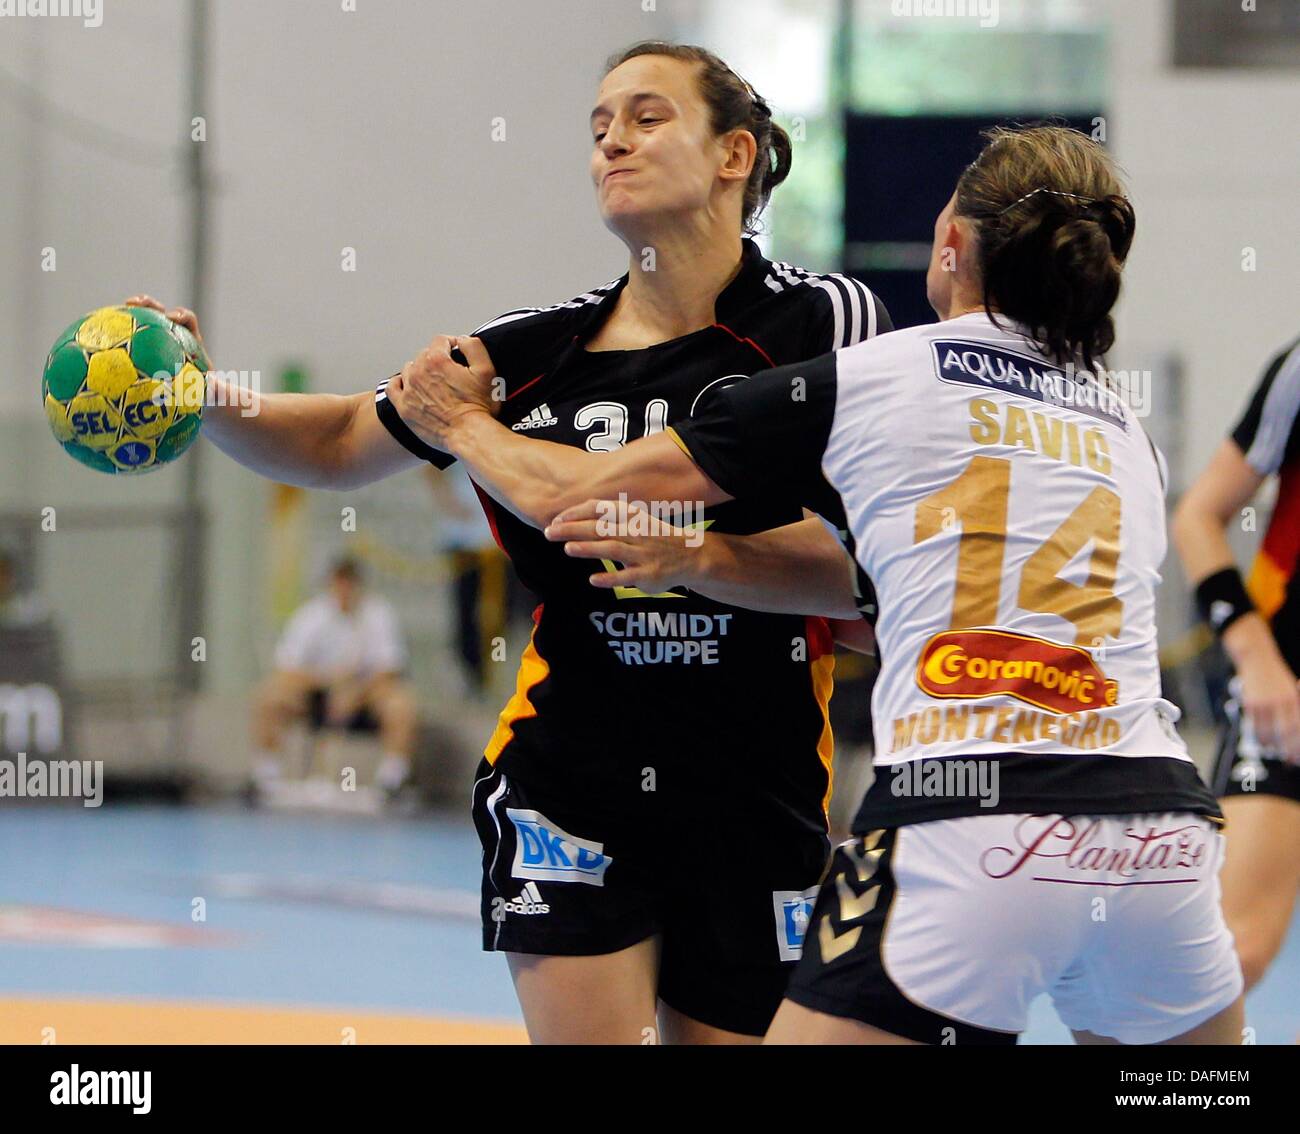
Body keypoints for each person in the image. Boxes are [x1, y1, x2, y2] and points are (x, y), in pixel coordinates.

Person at [402, 124, 1245, 1045]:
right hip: (1161, 834)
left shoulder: (866, 377)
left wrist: (462, 425)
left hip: (974, 825)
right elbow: (909, 593)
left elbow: (575, 495)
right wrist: (703, 561)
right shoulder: (1124, 427)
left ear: (953, 243)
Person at [127, 40, 889, 1044]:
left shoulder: (823, 321)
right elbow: (339, 441)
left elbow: (873, 562)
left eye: (648, 116)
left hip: (759, 789)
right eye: (598, 125)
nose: (613, 138)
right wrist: (203, 395)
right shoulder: (528, 355)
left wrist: (702, 555)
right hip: (571, 780)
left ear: (733, 154)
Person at [1172, 336, 1300, 994]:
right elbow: (1198, 515)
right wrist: (1256, 657)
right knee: (1231, 954)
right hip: (1287, 698)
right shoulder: (1298, 370)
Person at [253, 556, 417, 795]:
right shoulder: (311, 616)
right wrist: (329, 683)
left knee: (401, 706)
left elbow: (389, 669)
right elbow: (287, 666)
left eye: (350, 583)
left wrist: (356, 694)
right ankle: (265, 776)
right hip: (316, 695)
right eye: (340, 582)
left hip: (365, 697)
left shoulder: (378, 614)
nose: (345, 590)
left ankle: (392, 780)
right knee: (269, 696)